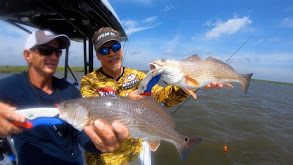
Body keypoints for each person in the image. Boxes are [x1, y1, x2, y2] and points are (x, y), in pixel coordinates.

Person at [80, 27, 223, 165]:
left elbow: (162, 97)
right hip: (103, 159)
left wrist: (188, 85)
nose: (111, 53)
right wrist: (127, 98)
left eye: (115, 47)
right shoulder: (89, 81)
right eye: (104, 50)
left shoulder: (138, 75)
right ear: (97, 55)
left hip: (135, 154)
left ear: (121, 49)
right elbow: (89, 115)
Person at [0, 29, 129, 165]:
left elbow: (81, 134)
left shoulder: (70, 91)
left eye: (58, 52)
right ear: (28, 55)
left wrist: (101, 143)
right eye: (46, 50)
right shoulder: (6, 88)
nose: (54, 57)